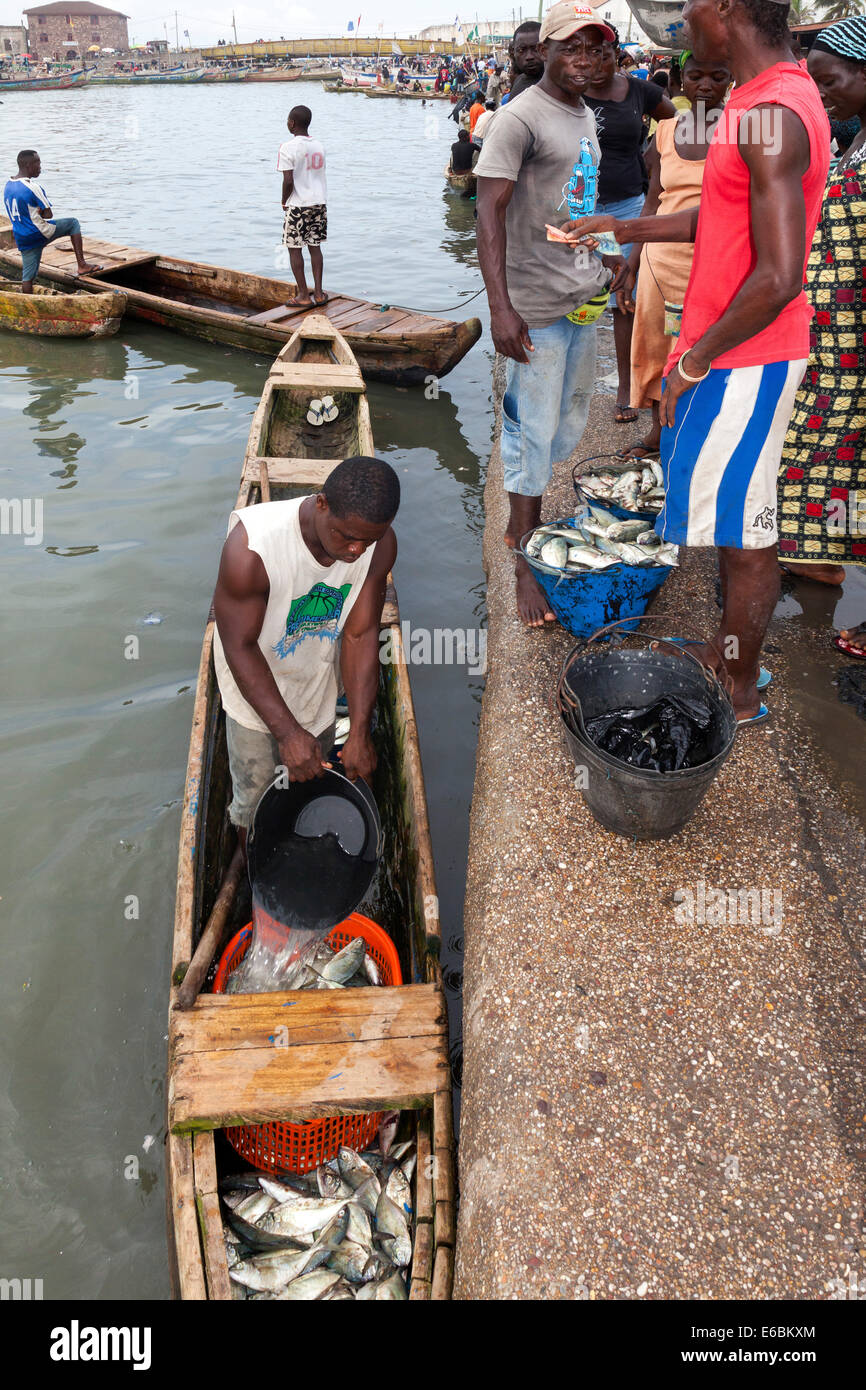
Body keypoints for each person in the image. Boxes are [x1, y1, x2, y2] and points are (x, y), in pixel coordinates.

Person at [563, 0, 830, 724]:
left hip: (746, 358)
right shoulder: (757, 99)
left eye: (688, 6)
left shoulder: (773, 112)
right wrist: (625, 225)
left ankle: (738, 687)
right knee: (731, 518)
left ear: (725, 9)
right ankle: (728, 650)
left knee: (746, 533)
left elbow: (779, 276)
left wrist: (691, 364)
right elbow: (721, 216)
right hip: (731, 352)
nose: (681, 18)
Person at [476, 2, 624, 627]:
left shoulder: (583, 111)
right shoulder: (518, 119)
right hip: (533, 306)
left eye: (599, 49)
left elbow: (577, 200)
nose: (587, 60)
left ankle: (532, 518)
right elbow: (488, 217)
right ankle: (522, 556)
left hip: (581, 295)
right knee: (529, 430)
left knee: (568, 423)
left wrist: (608, 257)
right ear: (547, 50)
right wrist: (501, 308)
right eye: (574, 48)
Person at [212, 456, 400, 849]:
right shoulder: (252, 550)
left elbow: (361, 634)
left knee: (311, 785)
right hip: (253, 684)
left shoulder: (377, 547)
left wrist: (360, 732)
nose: (355, 550)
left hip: (315, 677)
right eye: (346, 536)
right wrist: (287, 732)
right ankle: (256, 866)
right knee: (256, 802)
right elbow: (238, 646)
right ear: (321, 504)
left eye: (368, 540)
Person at [775, 15, 866, 656]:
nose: (823, 93)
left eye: (831, 80)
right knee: (826, 466)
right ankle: (816, 559)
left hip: (855, 348)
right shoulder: (853, 141)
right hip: (830, 341)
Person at [619, 55, 732, 459]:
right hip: (658, 261)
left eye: (717, 75)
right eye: (696, 76)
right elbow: (653, 198)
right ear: (681, 81)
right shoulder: (665, 129)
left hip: (711, 264)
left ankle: (694, 435)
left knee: (697, 348)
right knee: (653, 345)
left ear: (730, 79)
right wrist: (632, 262)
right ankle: (657, 434)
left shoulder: (742, 130)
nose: (705, 85)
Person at [584, 28, 676, 423]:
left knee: (624, 297)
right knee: (576, 294)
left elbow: (675, 122)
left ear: (616, 54)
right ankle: (567, 384)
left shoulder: (640, 91)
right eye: (587, 53)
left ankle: (625, 388)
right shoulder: (569, 89)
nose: (594, 62)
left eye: (603, 54)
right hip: (578, 205)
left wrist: (656, 159)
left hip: (626, 205)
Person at [3, 150, 99, 292]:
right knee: (73, 224)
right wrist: (38, 212)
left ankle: (28, 306)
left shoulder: (8, 185)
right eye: (38, 162)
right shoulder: (33, 187)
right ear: (29, 165)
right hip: (39, 232)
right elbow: (48, 214)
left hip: (22, 237)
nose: (40, 166)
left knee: (27, 277)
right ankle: (82, 265)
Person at [277, 104, 328, 308]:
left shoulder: (288, 147)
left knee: (294, 248)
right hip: (319, 203)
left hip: (298, 205)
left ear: (292, 123)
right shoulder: (319, 146)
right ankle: (319, 293)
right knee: (315, 247)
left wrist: (283, 201)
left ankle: (303, 296)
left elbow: (288, 181)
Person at [504, 19, 544, 104]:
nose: (529, 57)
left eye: (535, 49)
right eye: (522, 50)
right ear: (513, 52)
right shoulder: (518, 81)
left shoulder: (560, 85)